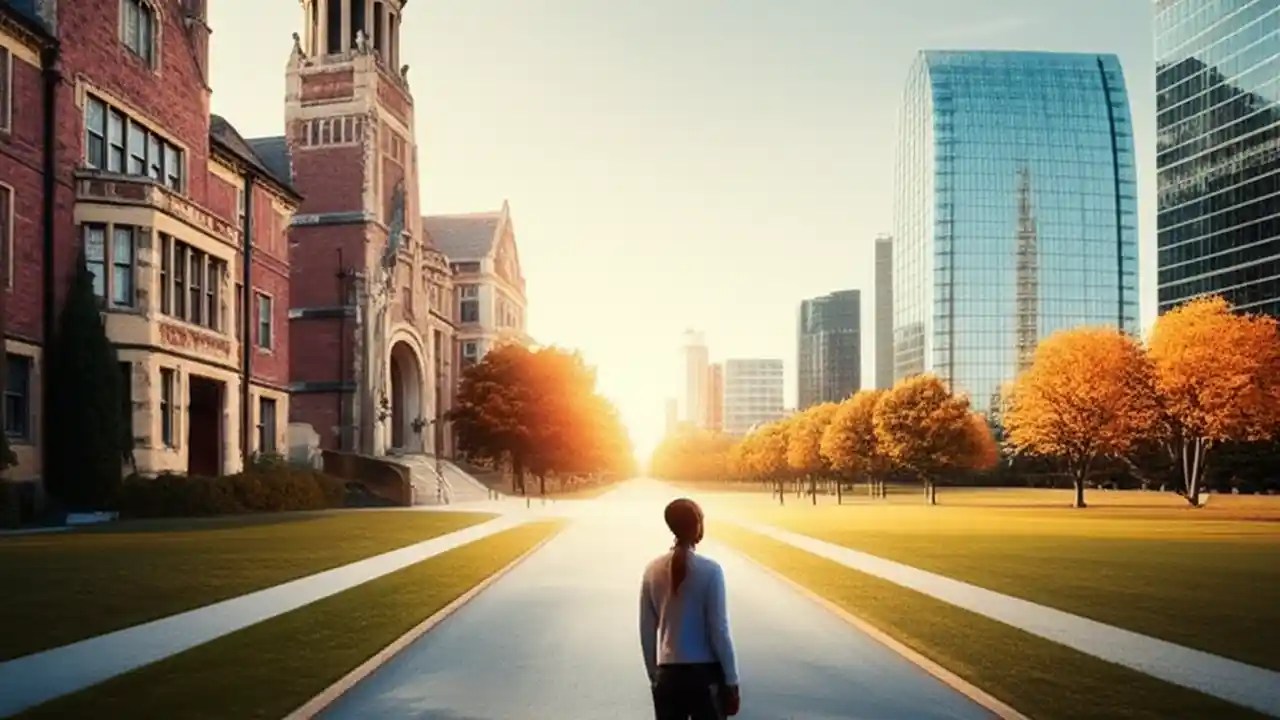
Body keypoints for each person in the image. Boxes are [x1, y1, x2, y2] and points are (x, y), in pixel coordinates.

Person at [640, 498, 741, 719]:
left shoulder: (651, 571)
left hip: (668, 676)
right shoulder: (711, 571)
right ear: (698, 525)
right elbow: (719, 631)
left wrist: (654, 676)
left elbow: (647, 631)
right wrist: (732, 680)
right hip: (705, 677)